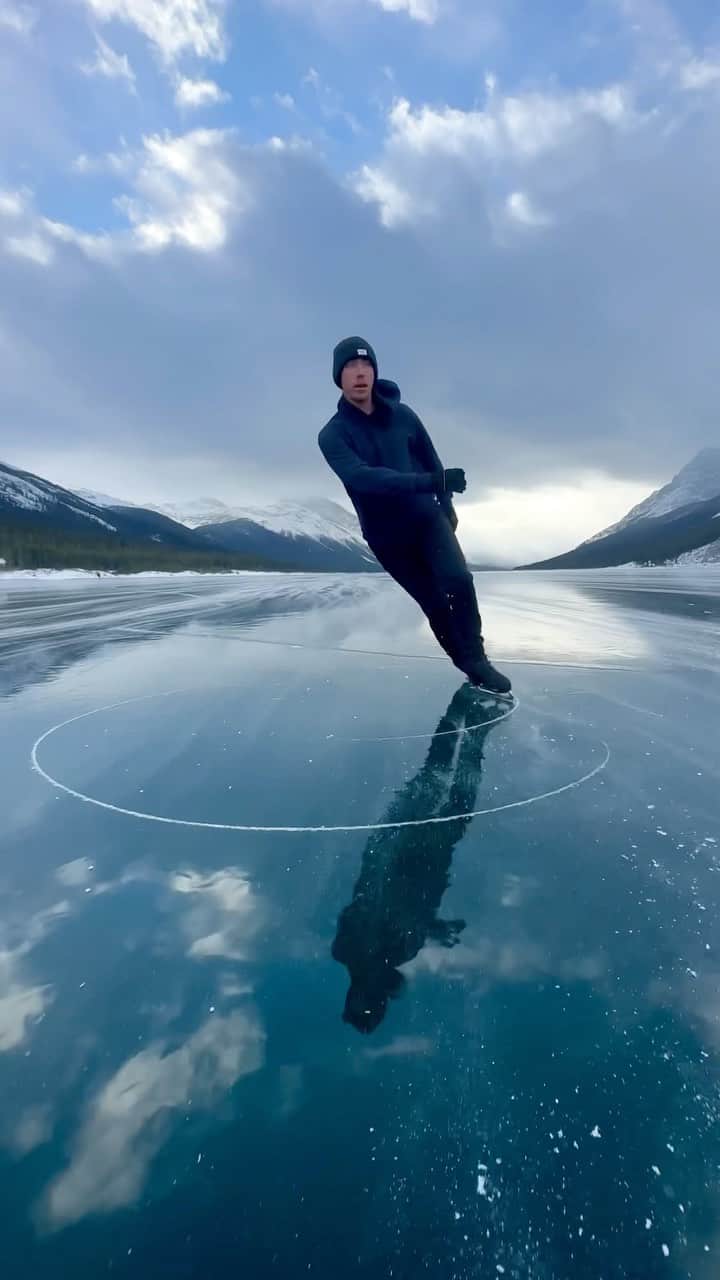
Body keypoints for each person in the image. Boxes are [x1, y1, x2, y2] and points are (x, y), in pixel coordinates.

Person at [318, 337, 511, 694]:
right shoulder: (332, 435)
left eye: (367, 367)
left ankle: (479, 658)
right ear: (338, 377)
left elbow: (430, 459)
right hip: (386, 536)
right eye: (350, 368)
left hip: (425, 518)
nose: (360, 374)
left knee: (459, 581)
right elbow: (364, 479)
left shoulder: (404, 417)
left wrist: (446, 505)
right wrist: (431, 482)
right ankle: (467, 664)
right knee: (433, 601)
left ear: (375, 372)